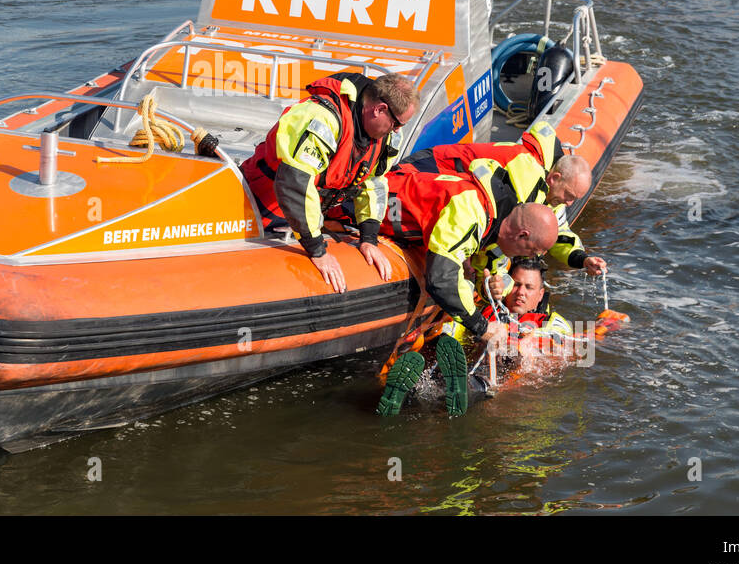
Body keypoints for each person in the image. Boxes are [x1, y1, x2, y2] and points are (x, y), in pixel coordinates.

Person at [373, 170, 559, 415]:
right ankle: (421, 386)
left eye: (529, 287)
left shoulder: (496, 225)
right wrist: (481, 327)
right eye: (531, 251)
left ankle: (415, 387)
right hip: (371, 212)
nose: (521, 292)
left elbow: (491, 271)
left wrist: (497, 289)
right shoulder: (473, 211)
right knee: (444, 313)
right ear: (522, 235)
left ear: (541, 294)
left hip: (408, 231)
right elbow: (442, 280)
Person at [241, 73, 420, 294]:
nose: (397, 130)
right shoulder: (321, 118)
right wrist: (317, 250)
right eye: (396, 124)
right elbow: (294, 183)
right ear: (379, 109)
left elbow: (374, 182)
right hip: (259, 207)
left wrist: (369, 238)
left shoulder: (384, 138)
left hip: (309, 214)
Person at [398, 121, 608, 275]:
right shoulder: (525, 176)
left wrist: (582, 259)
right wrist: (481, 269)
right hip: (422, 170)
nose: (569, 203)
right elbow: (501, 230)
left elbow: (558, 230)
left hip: (442, 182)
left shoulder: (550, 192)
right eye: (569, 196)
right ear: (554, 178)